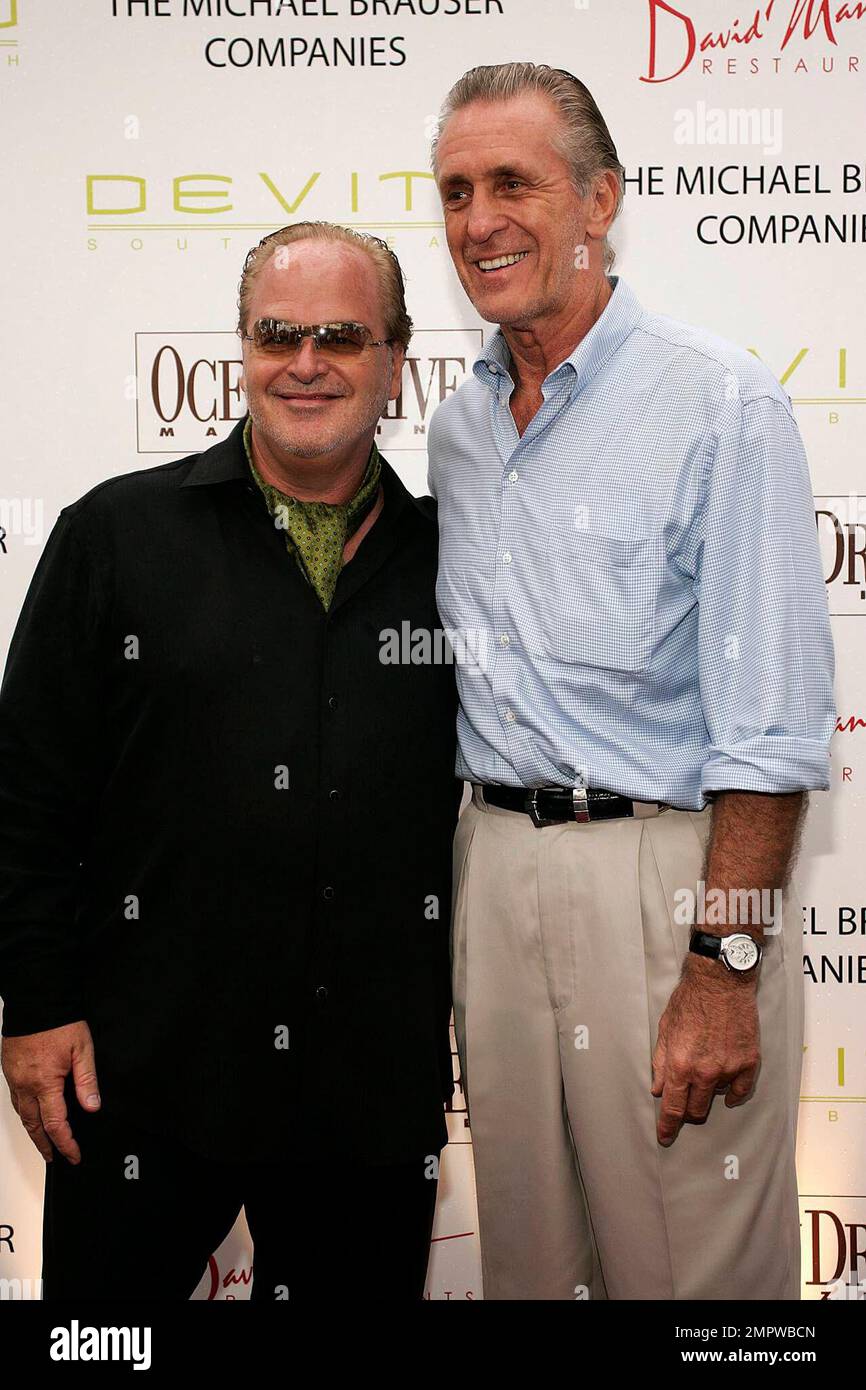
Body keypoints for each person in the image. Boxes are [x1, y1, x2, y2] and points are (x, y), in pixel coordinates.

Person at [427, 62, 836, 1300]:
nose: (478, 219)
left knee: (694, 1281)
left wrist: (724, 972)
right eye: (452, 191)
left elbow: (768, 736)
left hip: (664, 886)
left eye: (513, 181)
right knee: (528, 1268)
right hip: (490, 870)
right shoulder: (457, 426)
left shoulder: (719, 403)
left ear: (599, 199)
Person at [0, 221, 462, 1301]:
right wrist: (32, 1007)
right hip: (139, 1076)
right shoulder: (117, 533)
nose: (307, 364)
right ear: (241, 350)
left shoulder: (458, 556)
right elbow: (26, 793)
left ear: (395, 358)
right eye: (278, 334)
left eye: (342, 336)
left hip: (366, 1098)